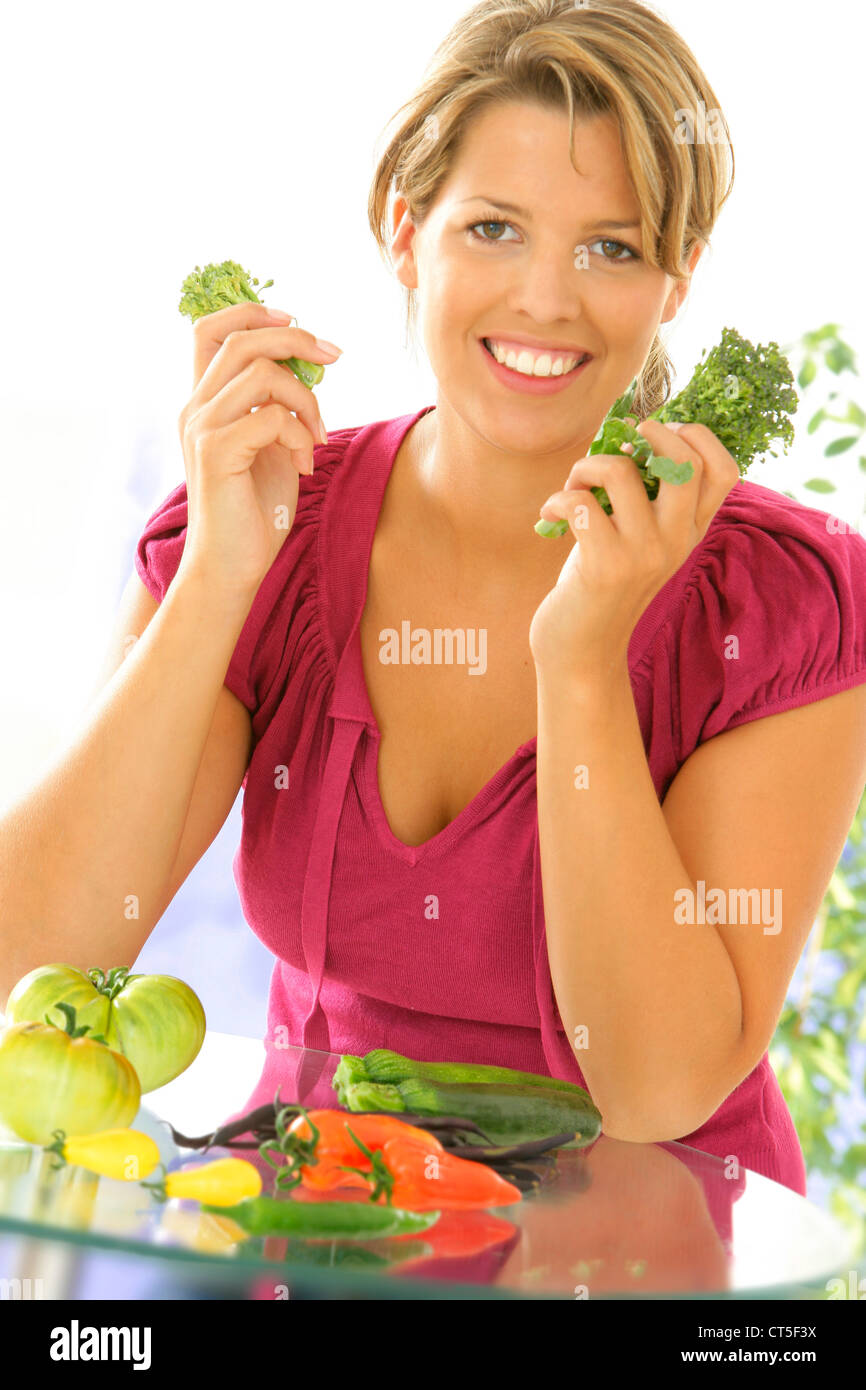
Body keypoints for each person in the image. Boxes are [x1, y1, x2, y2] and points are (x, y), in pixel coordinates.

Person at [3, 0, 865, 1199]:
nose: (546, 300)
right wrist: (217, 581)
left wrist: (578, 657)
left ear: (675, 283)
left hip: (653, 1274)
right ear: (404, 233)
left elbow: (656, 1086)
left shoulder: (778, 597)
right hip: (331, 1234)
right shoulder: (273, 532)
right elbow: (31, 963)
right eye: (495, 228)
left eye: (611, 248)